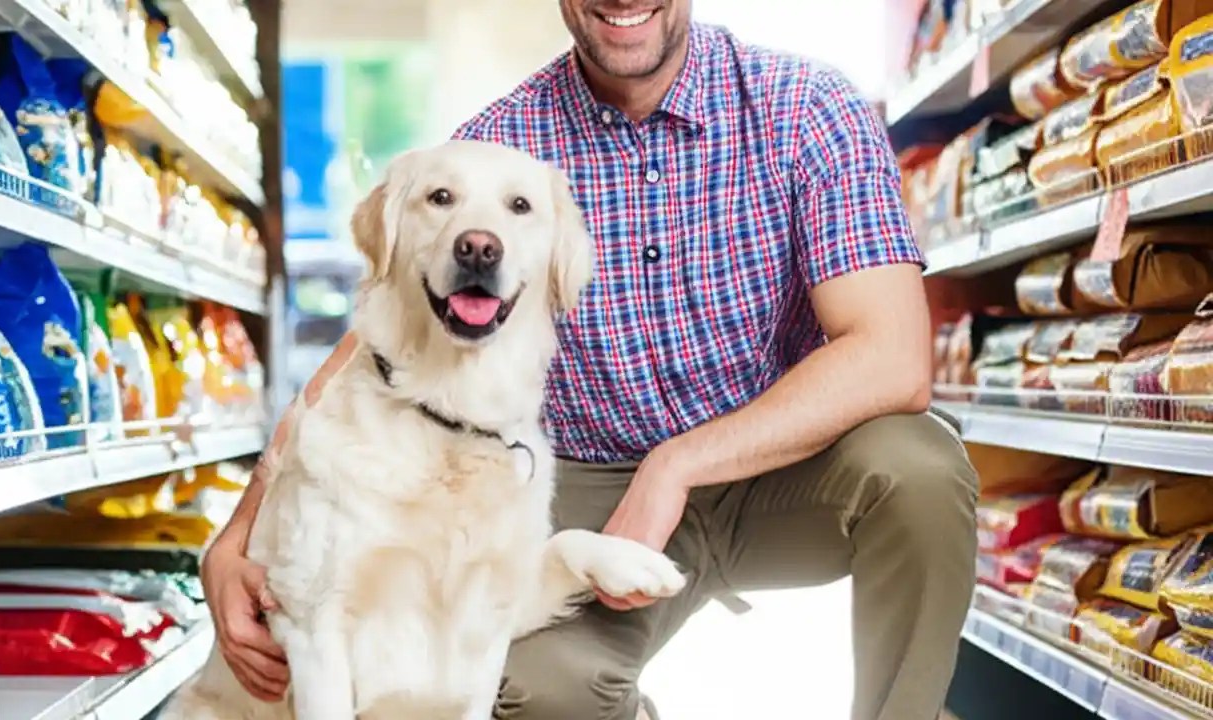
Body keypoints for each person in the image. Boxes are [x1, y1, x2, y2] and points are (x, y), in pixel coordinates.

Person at [200, 2, 980, 719]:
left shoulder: (806, 107)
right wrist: (236, 540)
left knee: (919, 469)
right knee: (538, 691)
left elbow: (894, 356)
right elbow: (380, 341)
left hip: (779, 472)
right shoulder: (503, 151)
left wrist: (676, 465)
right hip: (592, 483)